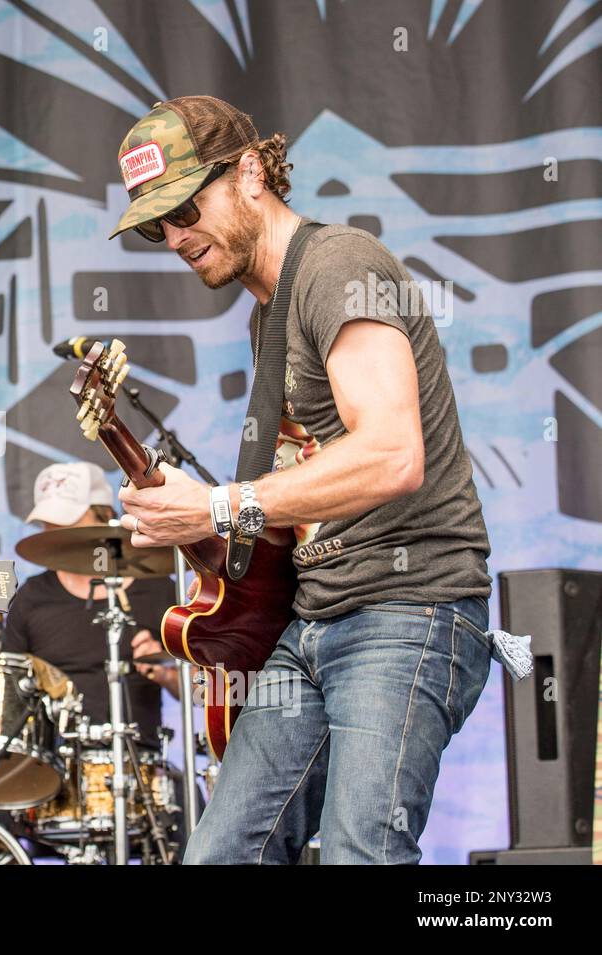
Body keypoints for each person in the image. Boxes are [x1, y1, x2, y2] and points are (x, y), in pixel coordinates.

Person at [109, 96, 505, 864]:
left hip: (407, 609)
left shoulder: (340, 266)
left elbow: (392, 453)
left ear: (250, 172)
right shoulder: (269, 313)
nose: (177, 237)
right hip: (317, 619)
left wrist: (220, 505)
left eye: (186, 208)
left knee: (363, 852)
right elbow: (295, 501)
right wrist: (198, 527)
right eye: (158, 226)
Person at [4, 462, 180, 737]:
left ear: (106, 516)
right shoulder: (32, 596)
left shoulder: (158, 588)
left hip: (139, 762)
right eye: (50, 522)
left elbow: (203, 690)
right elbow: (8, 694)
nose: (56, 529)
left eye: (69, 521)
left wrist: (166, 673)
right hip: (52, 766)